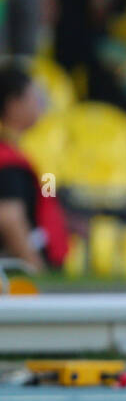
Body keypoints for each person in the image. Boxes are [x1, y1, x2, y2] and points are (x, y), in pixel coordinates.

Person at [0, 65, 68, 273]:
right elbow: (9, 217)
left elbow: (42, 198)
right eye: (33, 97)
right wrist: (34, 267)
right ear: (13, 105)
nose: (40, 103)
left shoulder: (19, 152)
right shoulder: (8, 161)